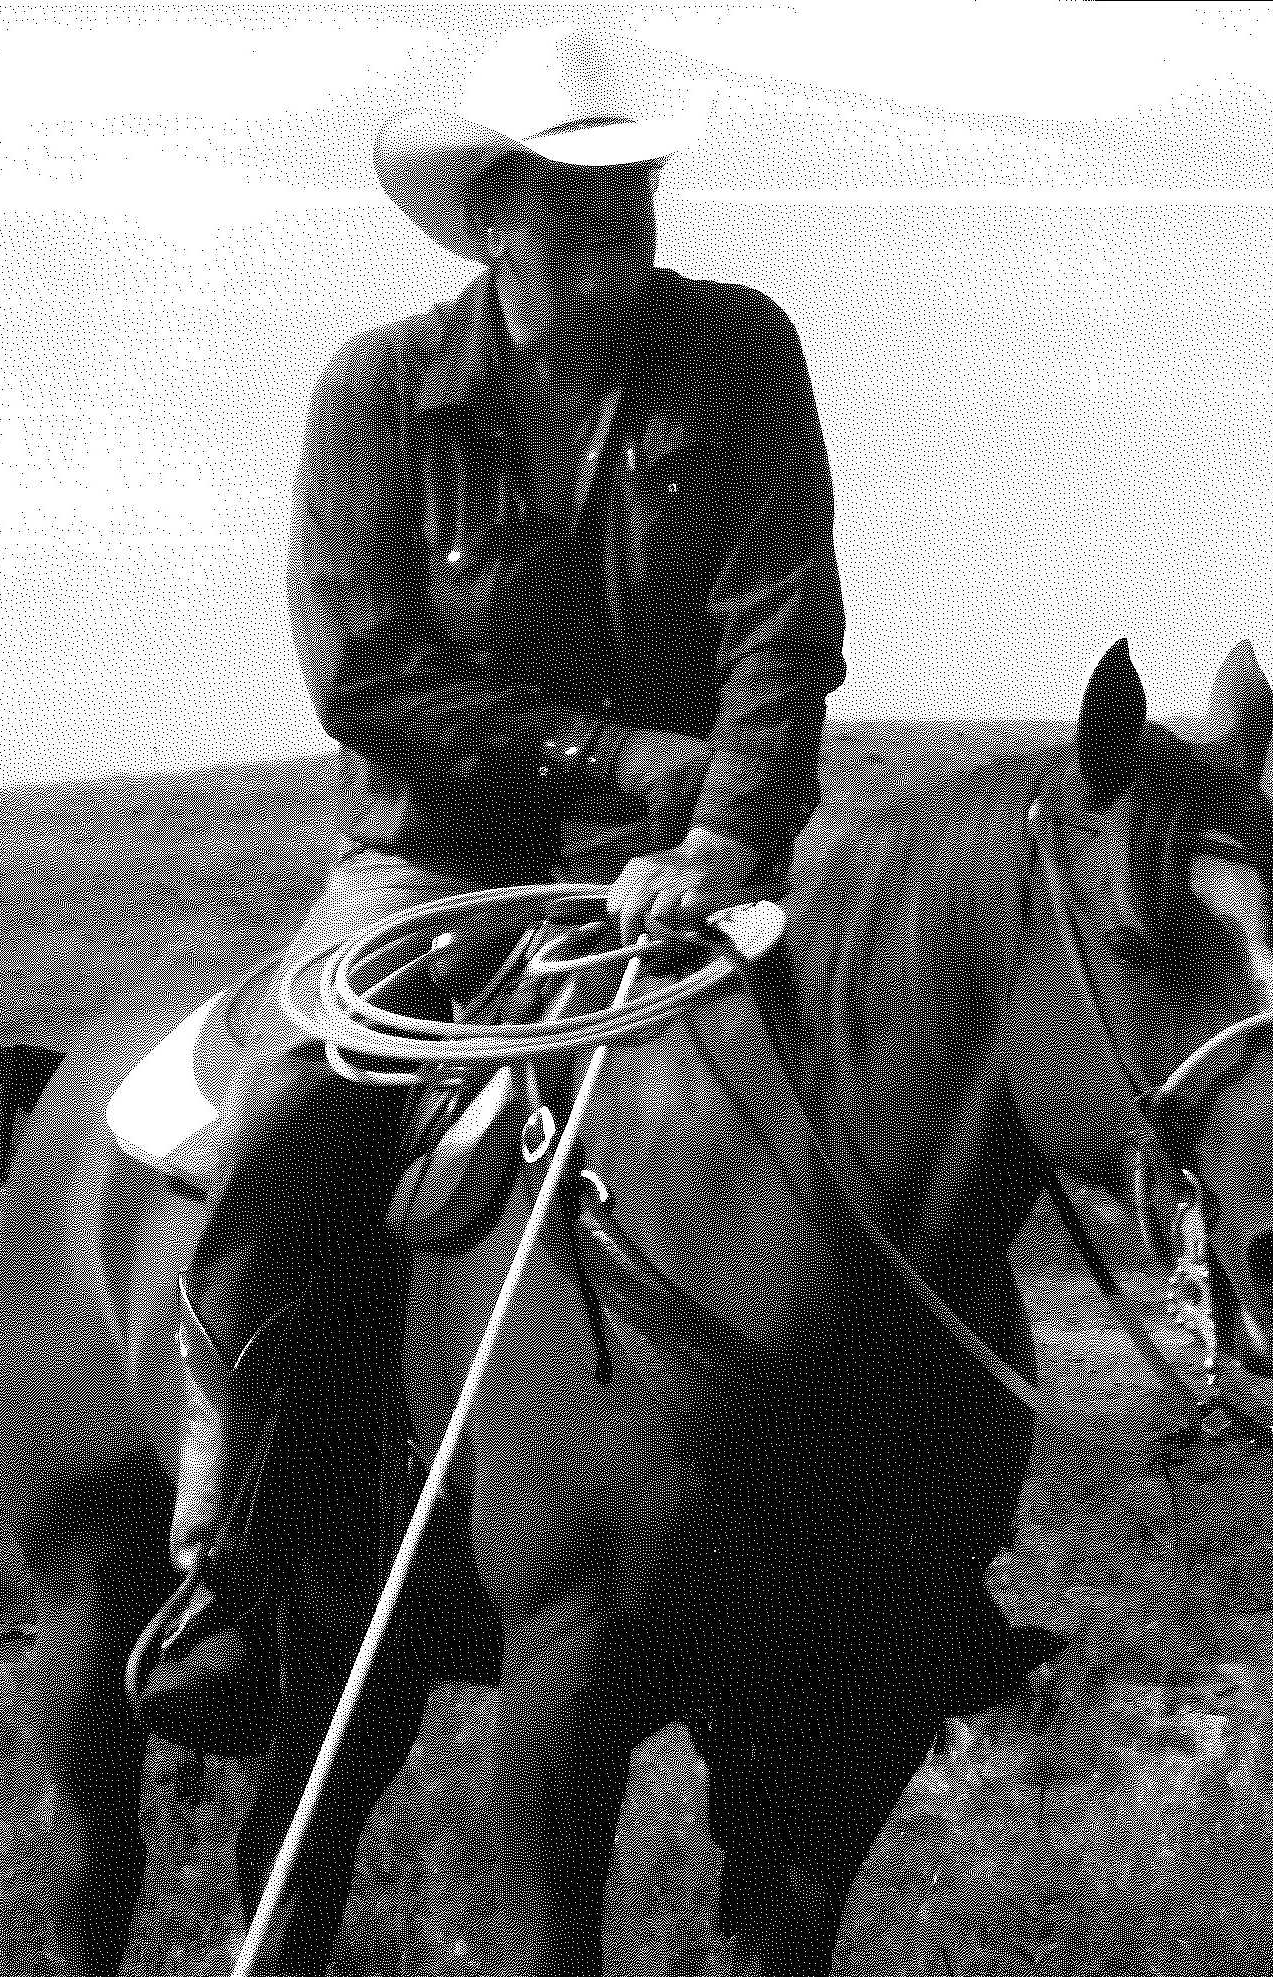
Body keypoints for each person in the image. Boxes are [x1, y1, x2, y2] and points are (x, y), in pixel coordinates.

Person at [136, 25, 847, 1755]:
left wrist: (727, 835)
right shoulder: (375, 392)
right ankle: (232, 1548)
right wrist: (615, 759)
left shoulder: (738, 350)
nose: (618, 215)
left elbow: (781, 626)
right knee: (302, 1099)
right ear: (492, 211)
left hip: (678, 859)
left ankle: (900, 1547)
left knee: (876, 1085)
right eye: (575, 188)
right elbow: (364, 675)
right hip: (435, 852)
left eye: (636, 182)